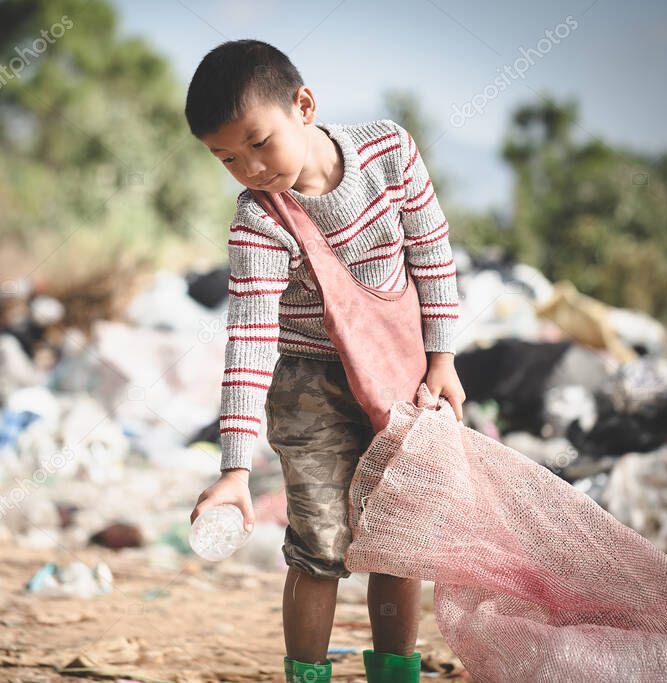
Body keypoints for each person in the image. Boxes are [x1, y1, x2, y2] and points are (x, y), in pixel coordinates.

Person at [184, 40, 466, 683]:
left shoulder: (388, 153)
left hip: (402, 377)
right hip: (308, 387)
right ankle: (305, 675)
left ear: (304, 106)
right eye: (226, 157)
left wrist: (442, 360)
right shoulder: (259, 223)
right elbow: (251, 339)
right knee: (318, 548)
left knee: (401, 538)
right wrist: (233, 468)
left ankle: (396, 674)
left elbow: (432, 253)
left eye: (259, 142)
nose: (250, 167)